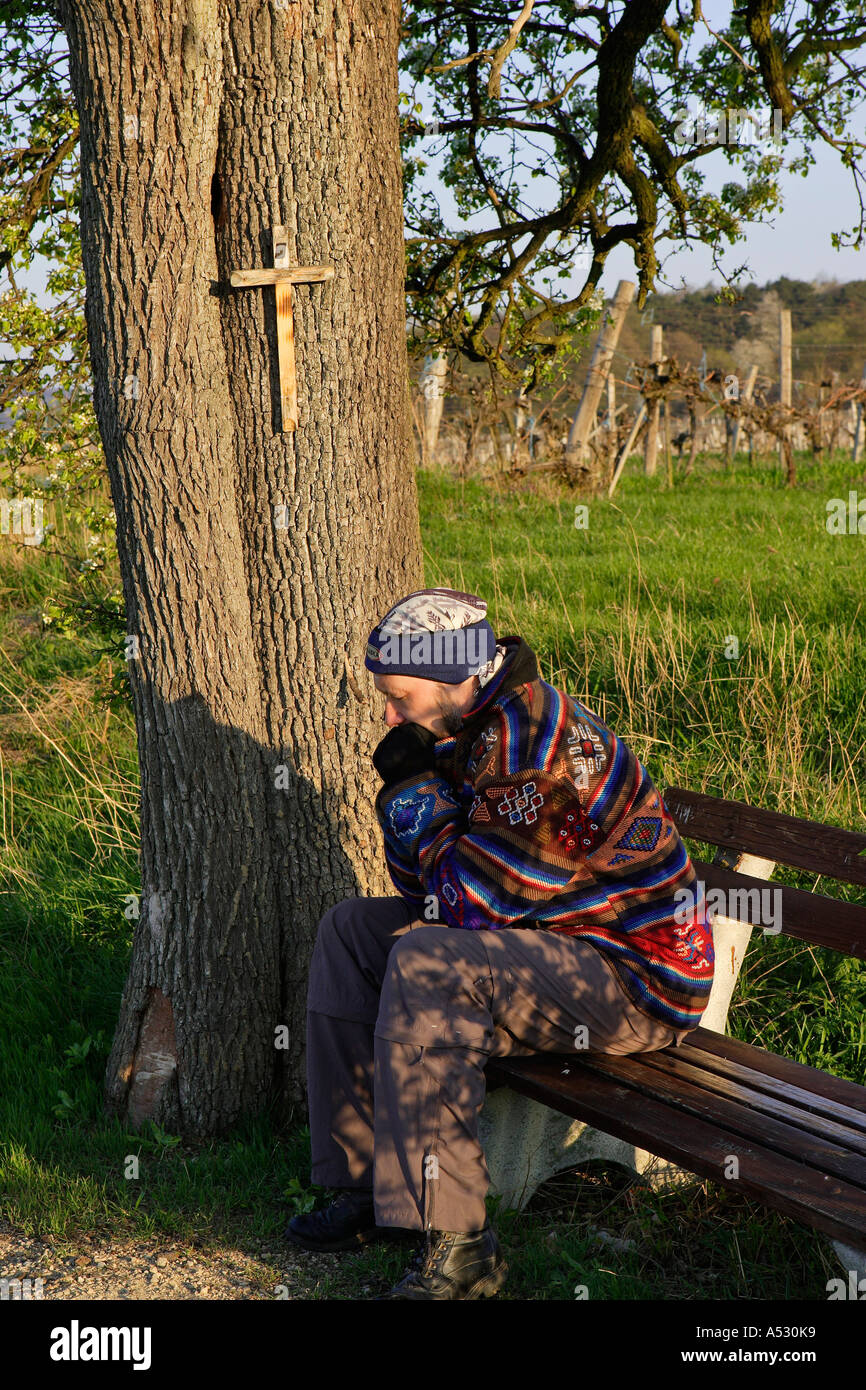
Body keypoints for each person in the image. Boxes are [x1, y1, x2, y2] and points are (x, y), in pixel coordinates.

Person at [285, 588, 714, 1300]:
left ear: (455, 677)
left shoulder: (534, 755)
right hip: (553, 945)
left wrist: (414, 796)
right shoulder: (476, 727)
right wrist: (417, 793)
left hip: (633, 977)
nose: (389, 715)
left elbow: (466, 909)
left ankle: (459, 1252)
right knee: (352, 933)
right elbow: (426, 886)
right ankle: (369, 1189)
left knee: (430, 963)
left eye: (399, 697)